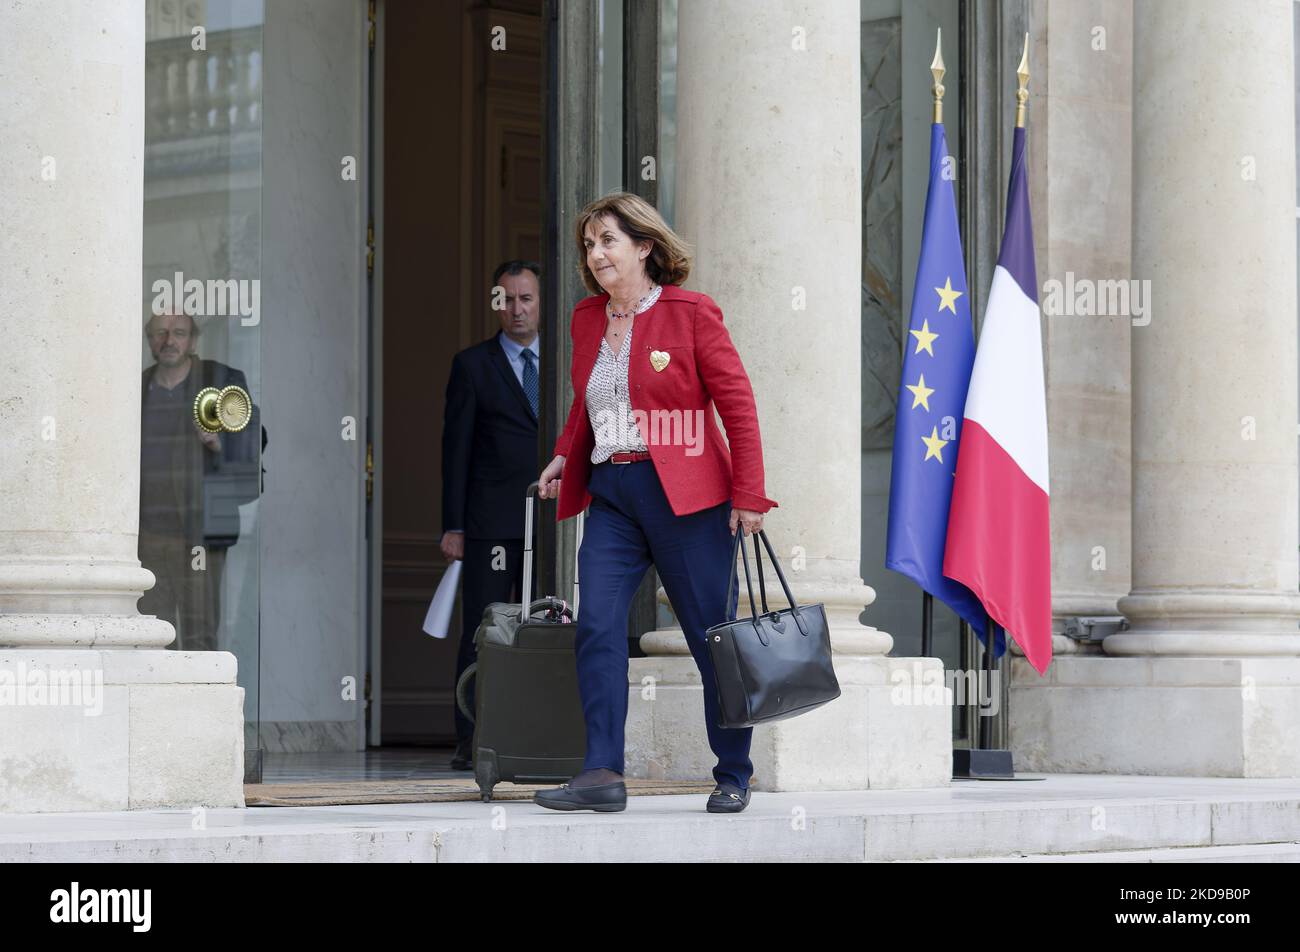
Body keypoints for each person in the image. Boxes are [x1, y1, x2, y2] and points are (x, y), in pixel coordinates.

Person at [534, 192, 777, 814]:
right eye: (589, 244)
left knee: (710, 637)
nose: (595, 254)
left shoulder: (692, 313)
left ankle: (734, 771)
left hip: (687, 497)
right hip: (613, 493)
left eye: (608, 241)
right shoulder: (587, 317)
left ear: (645, 247)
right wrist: (567, 452)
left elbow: (738, 405)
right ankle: (602, 773)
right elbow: (593, 397)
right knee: (597, 626)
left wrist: (748, 493)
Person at [440, 261, 542, 770]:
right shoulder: (473, 365)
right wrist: (453, 525)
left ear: (540, 304)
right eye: (507, 299)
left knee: (544, 628)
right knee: (483, 632)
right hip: (487, 526)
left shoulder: (567, 361)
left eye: (526, 298)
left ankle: (535, 731)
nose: (517, 309)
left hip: (549, 523)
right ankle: (472, 736)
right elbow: (454, 452)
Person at [138, 312, 261, 652]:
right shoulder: (135, 390)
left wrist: (218, 444)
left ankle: (200, 707)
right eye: (160, 333)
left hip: (200, 535)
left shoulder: (221, 381)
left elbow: (255, 443)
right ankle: (154, 707)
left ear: (193, 341)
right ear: (149, 340)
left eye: (178, 333)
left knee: (199, 638)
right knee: (150, 638)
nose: (169, 341)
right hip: (146, 537)